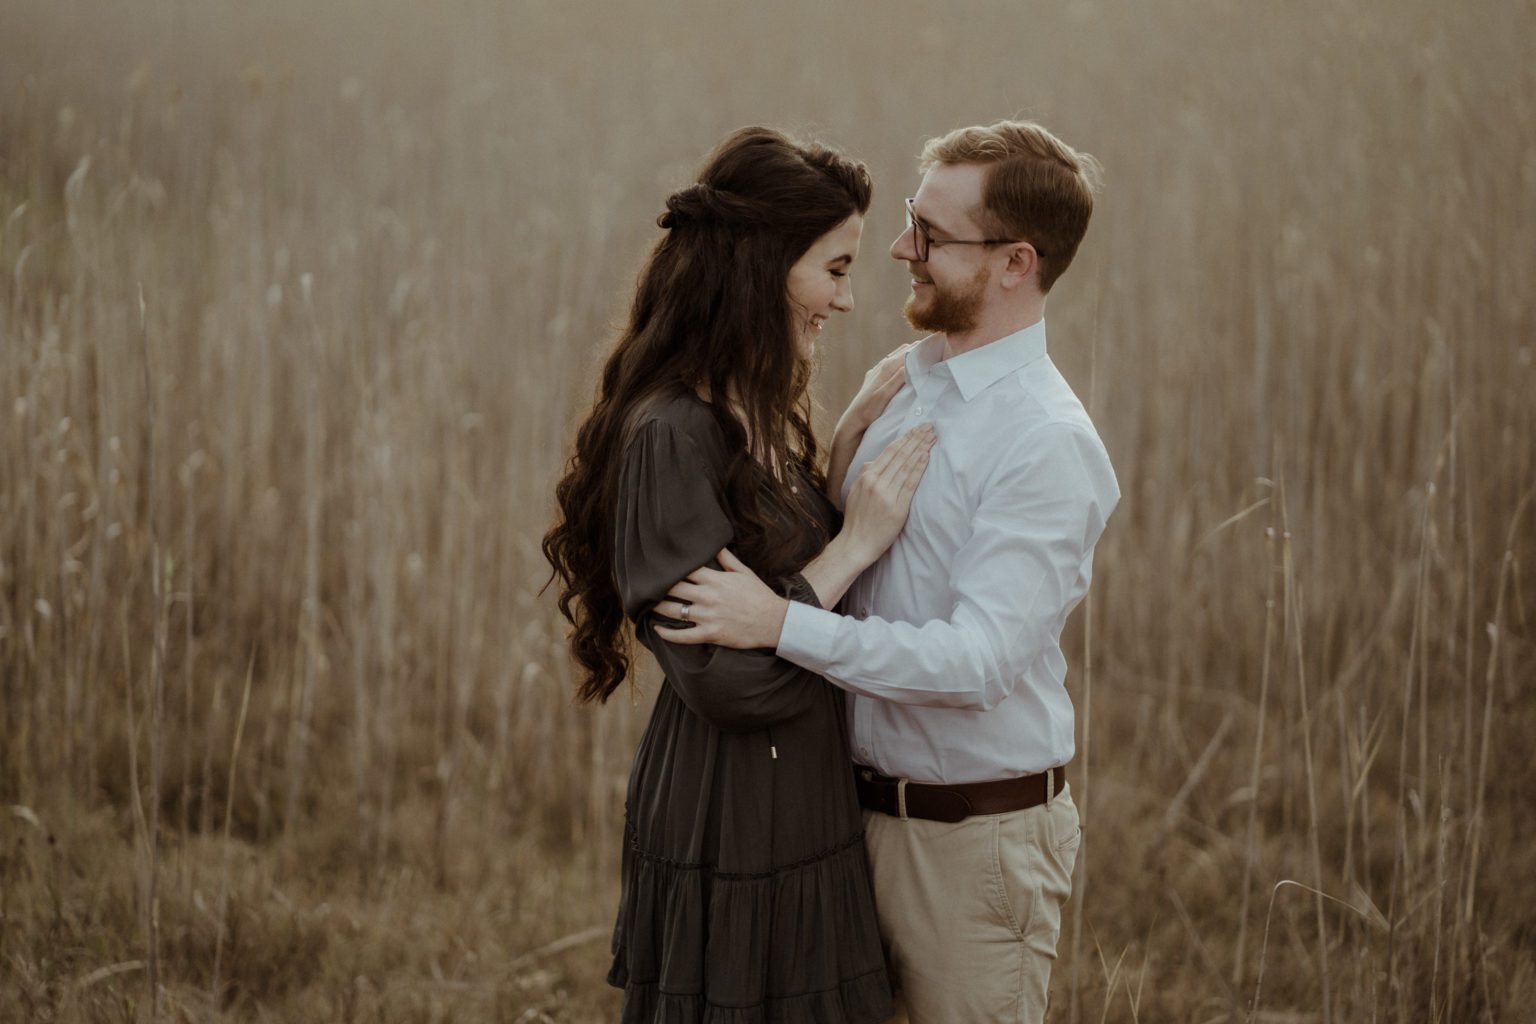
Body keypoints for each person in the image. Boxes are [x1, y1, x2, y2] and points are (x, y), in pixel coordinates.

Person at [652, 119, 1120, 1023]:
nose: (902, 248)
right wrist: (833, 464)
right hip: (845, 824)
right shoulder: (907, 381)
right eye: (913, 219)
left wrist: (779, 622)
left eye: (933, 236)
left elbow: (978, 662)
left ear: (1016, 263)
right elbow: (867, 554)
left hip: (969, 845)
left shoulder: (1047, 443)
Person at [542, 126, 936, 1023]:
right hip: (731, 812)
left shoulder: (753, 410)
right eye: (833, 269)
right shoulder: (672, 434)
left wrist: (833, 469)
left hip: (801, 801)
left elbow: (777, 593)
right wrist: (854, 543)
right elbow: (727, 682)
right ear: (764, 266)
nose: (844, 299)